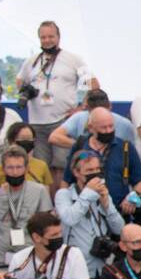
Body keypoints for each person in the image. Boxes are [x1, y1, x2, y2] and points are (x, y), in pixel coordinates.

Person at [15, 21, 98, 178]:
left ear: (58, 37)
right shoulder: (32, 61)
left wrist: (81, 108)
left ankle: (59, 201)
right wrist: (26, 90)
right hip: (37, 123)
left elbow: (93, 84)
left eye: (51, 36)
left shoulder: (73, 59)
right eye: (43, 37)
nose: (47, 40)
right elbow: (19, 81)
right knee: (42, 168)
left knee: (62, 166)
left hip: (63, 122)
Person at [60, 108, 141, 220]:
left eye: (111, 126)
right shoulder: (80, 147)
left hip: (117, 211)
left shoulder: (125, 147)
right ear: (91, 128)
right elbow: (67, 179)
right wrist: (64, 205)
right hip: (85, 213)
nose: (108, 131)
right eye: (103, 128)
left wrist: (133, 196)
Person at [55, 151, 127, 279]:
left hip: (101, 266)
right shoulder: (64, 195)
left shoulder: (101, 193)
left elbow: (120, 229)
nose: (95, 173)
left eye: (97, 169)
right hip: (76, 270)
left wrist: (107, 205)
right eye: (89, 170)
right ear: (76, 173)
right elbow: (69, 219)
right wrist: (88, 192)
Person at [0, 146, 54, 278]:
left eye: (19, 167)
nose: (15, 172)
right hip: (1, 261)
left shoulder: (39, 190)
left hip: (31, 259)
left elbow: (47, 228)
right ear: (3, 169)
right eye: (10, 168)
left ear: (27, 168)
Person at [48, 88, 139, 156]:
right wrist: (83, 146)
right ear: (87, 109)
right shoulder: (79, 117)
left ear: (110, 106)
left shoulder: (125, 125)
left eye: (110, 126)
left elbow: (132, 153)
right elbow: (54, 137)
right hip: (86, 158)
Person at [0, 123, 55, 193]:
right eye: (22, 138)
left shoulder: (42, 165)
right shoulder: (2, 167)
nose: (26, 142)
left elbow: (46, 193)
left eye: (29, 138)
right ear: (12, 141)